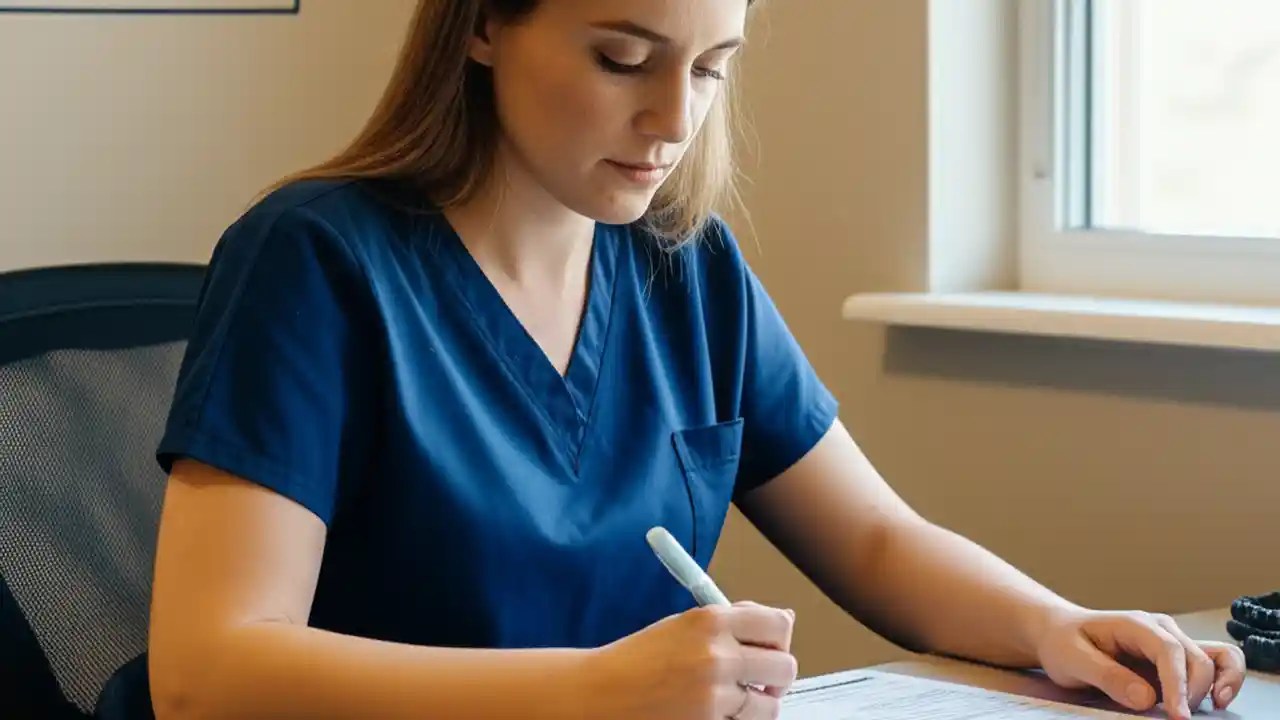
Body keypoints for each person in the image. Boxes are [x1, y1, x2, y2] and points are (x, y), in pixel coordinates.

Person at [138, 1, 1246, 719]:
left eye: (711, 68)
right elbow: (207, 669)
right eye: (623, 58)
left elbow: (873, 537)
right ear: (480, 25)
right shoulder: (316, 261)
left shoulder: (684, 269)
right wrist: (586, 691)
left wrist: (1052, 625)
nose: (672, 119)